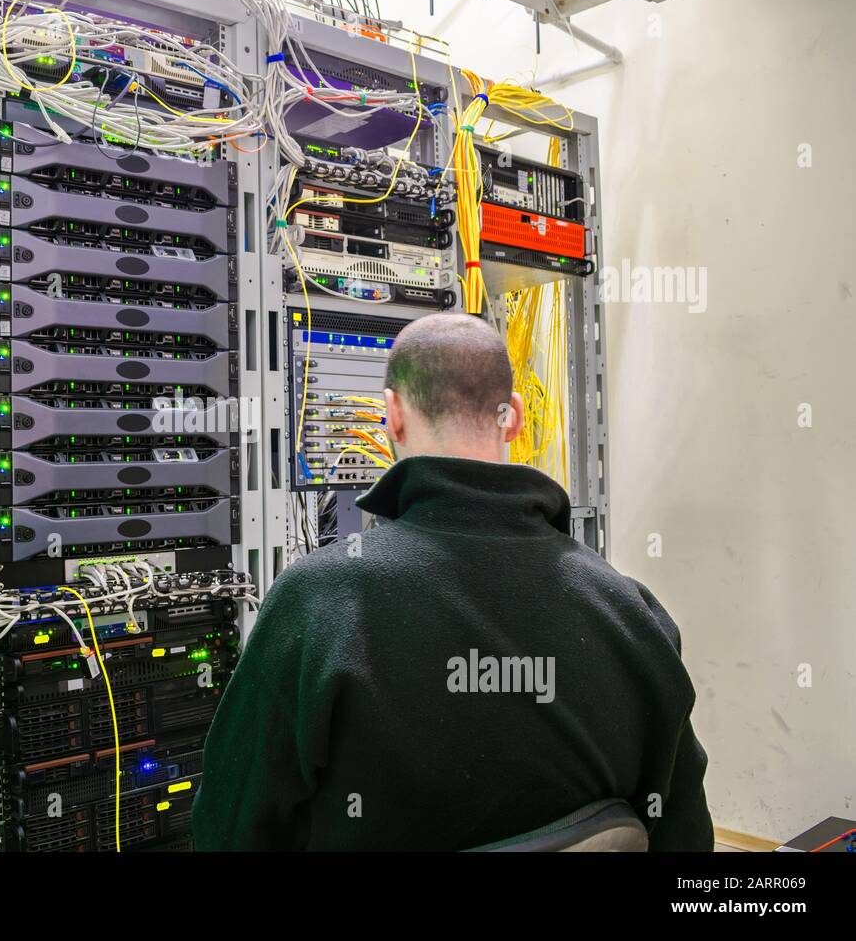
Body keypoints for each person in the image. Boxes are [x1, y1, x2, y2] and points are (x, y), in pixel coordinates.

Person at [192, 312, 713, 851]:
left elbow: (226, 831)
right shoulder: (632, 611)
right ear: (511, 418)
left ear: (392, 416)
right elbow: (685, 835)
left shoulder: (319, 601)